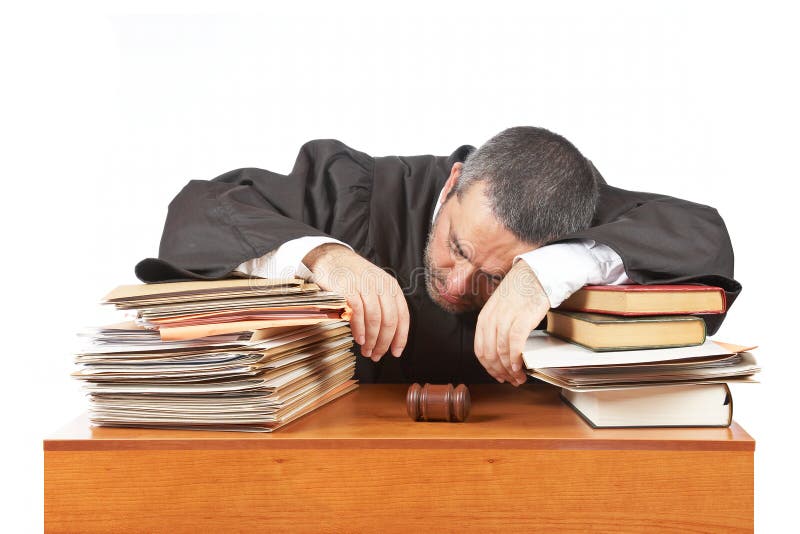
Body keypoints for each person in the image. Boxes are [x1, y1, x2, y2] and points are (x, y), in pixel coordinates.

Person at [136, 127, 741, 385]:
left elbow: (700, 237)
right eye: (457, 247)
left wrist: (541, 279)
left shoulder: (568, 216)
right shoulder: (355, 192)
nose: (457, 284)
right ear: (453, 184)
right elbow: (201, 210)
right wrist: (325, 257)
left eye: (494, 274)